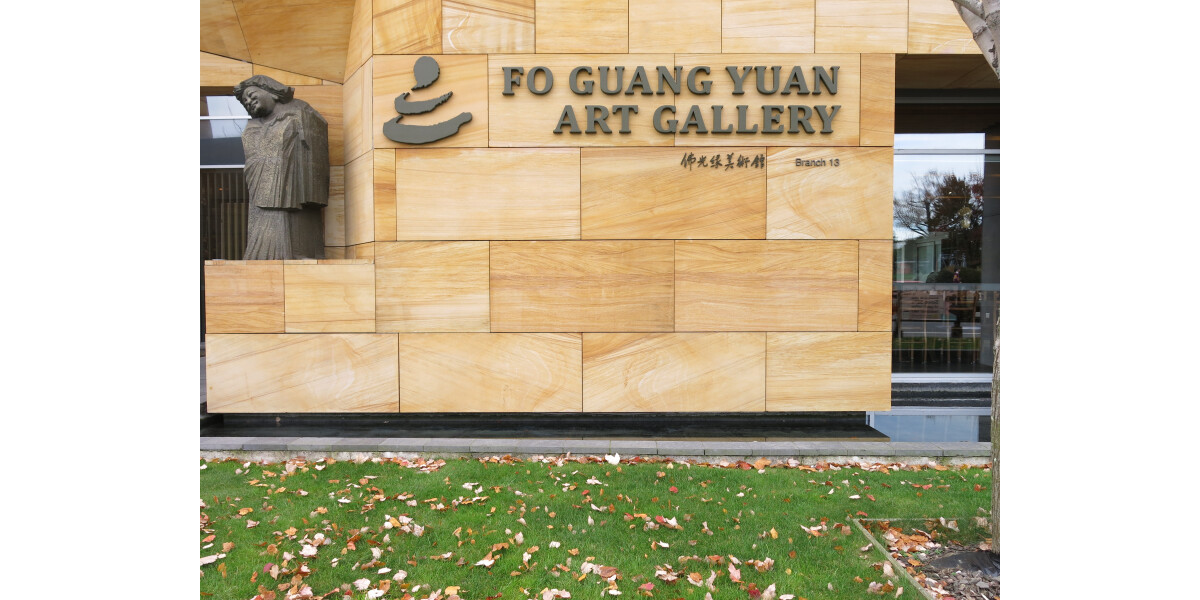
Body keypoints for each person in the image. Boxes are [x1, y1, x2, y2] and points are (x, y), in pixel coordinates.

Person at [233, 75, 329, 259]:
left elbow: (315, 147)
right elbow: (253, 153)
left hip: (295, 188)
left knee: (294, 226)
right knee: (265, 221)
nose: (249, 102)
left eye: (252, 95)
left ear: (272, 92)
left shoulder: (301, 111)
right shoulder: (254, 125)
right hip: (262, 186)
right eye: (245, 102)